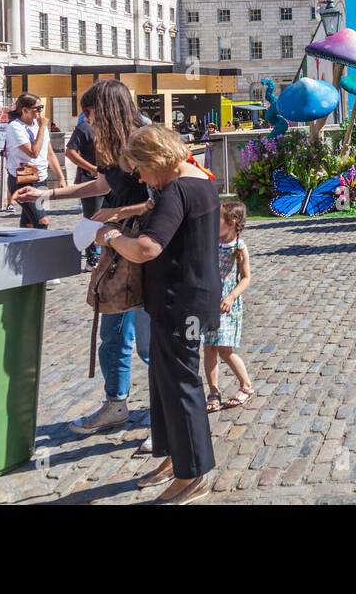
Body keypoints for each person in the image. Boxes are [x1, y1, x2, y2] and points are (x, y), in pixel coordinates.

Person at [13, 79, 153, 438]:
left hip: (147, 250)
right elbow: (105, 186)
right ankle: (116, 403)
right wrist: (50, 193)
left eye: (89, 113)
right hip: (117, 248)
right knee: (113, 332)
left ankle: (166, 410)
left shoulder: (146, 139)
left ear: (105, 110)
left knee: (152, 339)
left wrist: (111, 216)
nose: (85, 121)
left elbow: (163, 200)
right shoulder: (115, 144)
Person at [94, 124, 220, 504]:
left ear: (157, 160)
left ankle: (193, 472)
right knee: (164, 383)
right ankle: (172, 457)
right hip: (184, 297)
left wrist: (112, 236)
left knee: (181, 385)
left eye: (142, 169)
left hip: (181, 302)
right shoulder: (198, 179)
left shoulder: (177, 189)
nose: (141, 177)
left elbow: (147, 248)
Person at [203, 201, 254, 413]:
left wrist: (232, 296)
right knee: (209, 348)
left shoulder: (239, 247)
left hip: (226, 303)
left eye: (218, 219)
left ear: (232, 222)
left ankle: (247, 385)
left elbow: (246, 277)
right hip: (208, 301)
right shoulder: (210, 242)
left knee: (224, 349)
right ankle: (213, 391)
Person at [4, 94, 61, 229]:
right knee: (42, 220)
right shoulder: (15, 127)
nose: (41, 112)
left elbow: (50, 153)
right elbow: (33, 152)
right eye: (38, 108)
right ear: (25, 110)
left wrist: (60, 177)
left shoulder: (39, 124)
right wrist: (42, 128)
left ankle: (25, 248)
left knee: (29, 221)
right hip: (23, 179)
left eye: (42, 108)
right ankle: (41, 249)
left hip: (41, 178)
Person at [66, 107, 104, 267]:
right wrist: (91, 168)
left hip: (111, 179)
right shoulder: (84, 128)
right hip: (91, 180)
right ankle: (92, 256)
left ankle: (104, 252)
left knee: (110, 217)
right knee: (92, 218)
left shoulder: (114, 126)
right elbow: (70, 152)